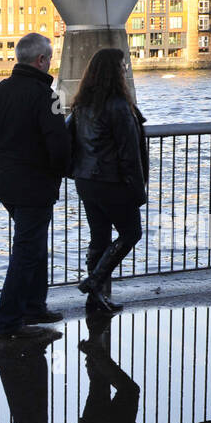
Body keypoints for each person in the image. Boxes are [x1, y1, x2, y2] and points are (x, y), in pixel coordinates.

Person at [0, 32, 71, 343]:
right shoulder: (51, 98)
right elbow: (59, 146)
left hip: (6, 184)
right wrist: (62, 170)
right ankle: (9, 323)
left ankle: (34, 307)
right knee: (26, 252)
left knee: (31, 246)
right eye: (50, 58)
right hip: (36, 186)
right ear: (42, 60)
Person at [67, 47, 148, 314]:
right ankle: (94, 282)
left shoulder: (81, 105)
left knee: (99, 237)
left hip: (86, 180)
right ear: (115, 73)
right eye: (123, 67)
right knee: (131, 233)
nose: (125, 70)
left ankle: (95, 300)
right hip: (112, 181)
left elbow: (71, 142)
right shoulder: (118, 106)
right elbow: (129, 154)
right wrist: (138, 191)